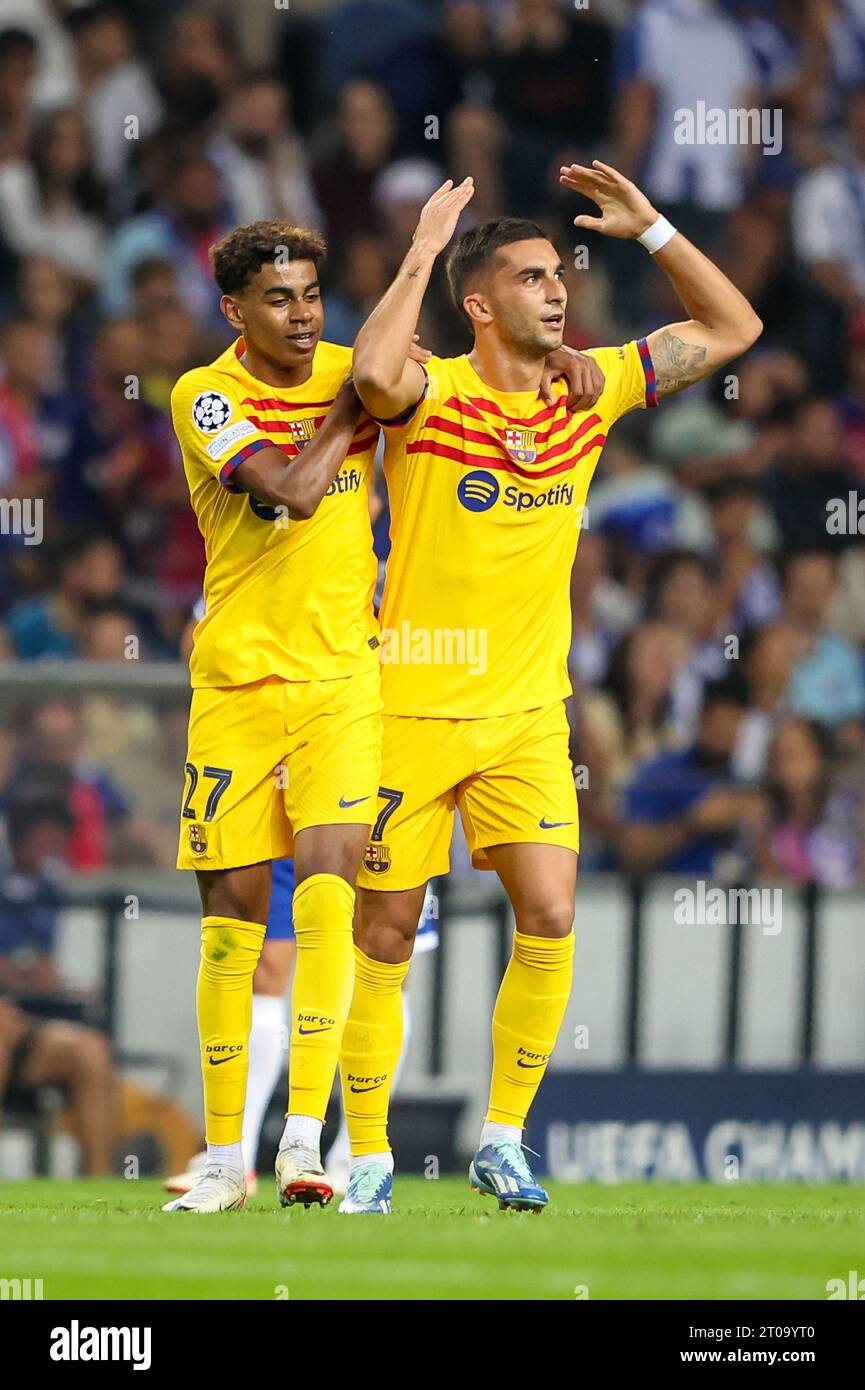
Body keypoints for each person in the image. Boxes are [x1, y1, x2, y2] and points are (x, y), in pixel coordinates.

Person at [337, 159, 762, 1214]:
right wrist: (424, 252)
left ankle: (502, 1139)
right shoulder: (432, 393)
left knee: (552, 909)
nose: (556, 288)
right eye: (530, 277)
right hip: (408, 707)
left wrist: (654, 228)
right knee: (385, 932)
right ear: (479, 305)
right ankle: (368, 1156)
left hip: (527, 716)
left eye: (558, 274)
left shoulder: (595, 387)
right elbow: (373, 376)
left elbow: (734, 330)